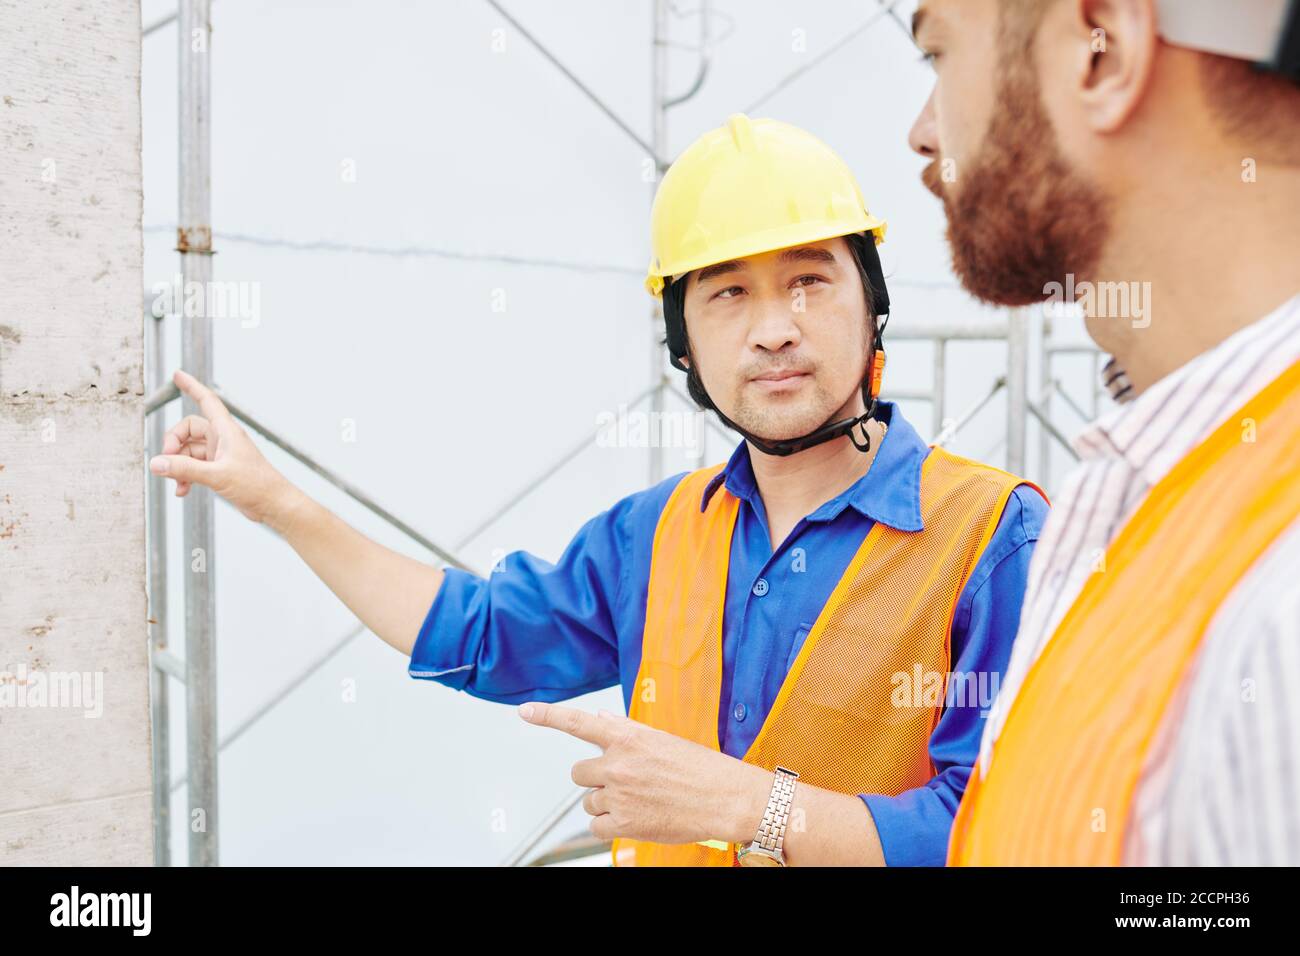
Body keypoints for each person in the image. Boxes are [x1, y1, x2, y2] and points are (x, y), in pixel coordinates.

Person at [150, 114, 1047, 867]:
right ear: (684, 343)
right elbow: (479, 632)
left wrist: (746, 807)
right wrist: (275, 502)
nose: (774, 329)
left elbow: (1010, 831)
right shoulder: (656, 535)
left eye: (810, 280)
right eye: (728, 293)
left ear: (870, 301)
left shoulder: (991, 534)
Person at [906, 0, 1300, 864]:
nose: (922, 134)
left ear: (1101, 52)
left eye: (938, 52)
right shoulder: (1138, 485)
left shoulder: (1282, 609)